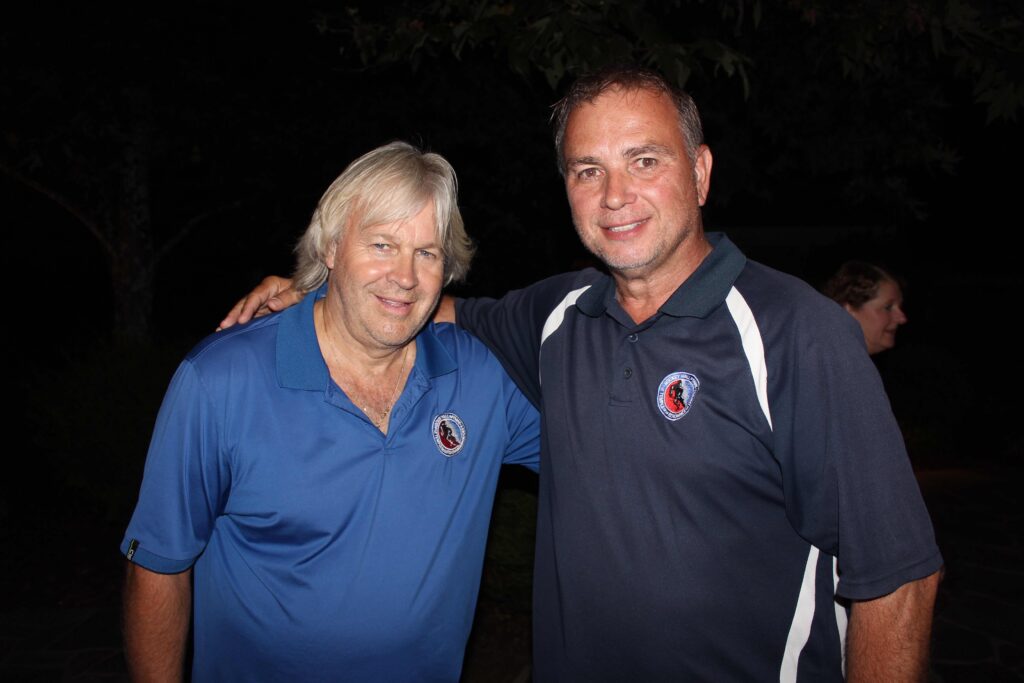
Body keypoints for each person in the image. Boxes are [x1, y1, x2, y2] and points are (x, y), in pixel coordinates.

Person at [221, 66, 942, 681]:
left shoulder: (795, 332)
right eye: (587, 169)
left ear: (699, 172)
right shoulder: (558, 314)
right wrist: (316, 290)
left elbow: (900, 578)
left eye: (645, 160)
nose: (614, 193)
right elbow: (427, 304)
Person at [121, 141, 541, 682]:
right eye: (382, 245)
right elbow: (156, 564)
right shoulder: (222, 381)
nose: (406, 276)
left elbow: (599, 450)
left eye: (427, 253)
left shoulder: (482, 380)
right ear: (332, 248)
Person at [824, 260, 909, 355]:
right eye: (888, 307)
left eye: (900, 307)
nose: (902, 319)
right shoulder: (823, 364)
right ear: (848, 311)